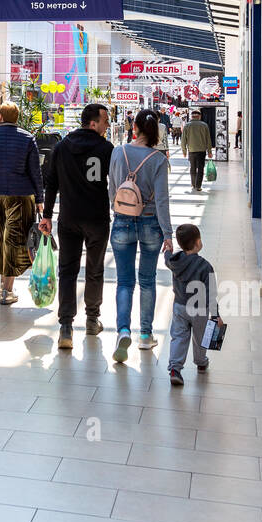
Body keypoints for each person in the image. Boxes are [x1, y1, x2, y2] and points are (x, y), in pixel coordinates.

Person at [40, 101, 114, 349]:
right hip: (97, 219)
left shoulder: (61, 147)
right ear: (93, 123)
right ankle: (92, 320)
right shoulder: (106, 148)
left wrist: (47, 215)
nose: (107, 124)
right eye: (105, 120)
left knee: (67, 271)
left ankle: (66, 328)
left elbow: (51, 183)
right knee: (95, 270)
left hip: (69, 219)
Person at [108, 108, 174, 362]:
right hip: (150, 225)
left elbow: (112, 188)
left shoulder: (118, 152)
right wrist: (168, 233)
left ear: (134, 127)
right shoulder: (158, 160)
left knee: (124, 281)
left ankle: (123, 330)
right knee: (147, 280)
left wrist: (118, 214)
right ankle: (145, 335)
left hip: (122, 221)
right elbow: (162, 201)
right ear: (155, 131)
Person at [0, 102, 44, 307]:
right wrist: (39, 199)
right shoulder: (27, 138)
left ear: (0, 117)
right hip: (21, 194)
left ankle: (4, 285)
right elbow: (35, 172)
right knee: (13, 239)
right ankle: (7, 289)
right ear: (16, 118)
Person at [166, 221, 217, 387]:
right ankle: (201, 362)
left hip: (179, 306)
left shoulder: (175, 261)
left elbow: (167, 259)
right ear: (197, 243)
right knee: (200, 337)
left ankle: (175, 369)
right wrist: (216, 315)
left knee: (179, 336)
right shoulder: (205, 266)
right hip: (199, 310)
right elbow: (211, 293)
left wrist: (167, 250)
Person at [181, 109, 213, 192]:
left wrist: (184, 151)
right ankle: (198, 185)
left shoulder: (187, 126)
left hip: (191, 150)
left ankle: (193, 183)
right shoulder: (204, 125)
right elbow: (208, 139)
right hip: (202, 151)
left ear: (191, 116)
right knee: (200, 168)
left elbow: (183, 140)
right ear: (199, 116)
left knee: (193, 167)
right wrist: (209, 151)